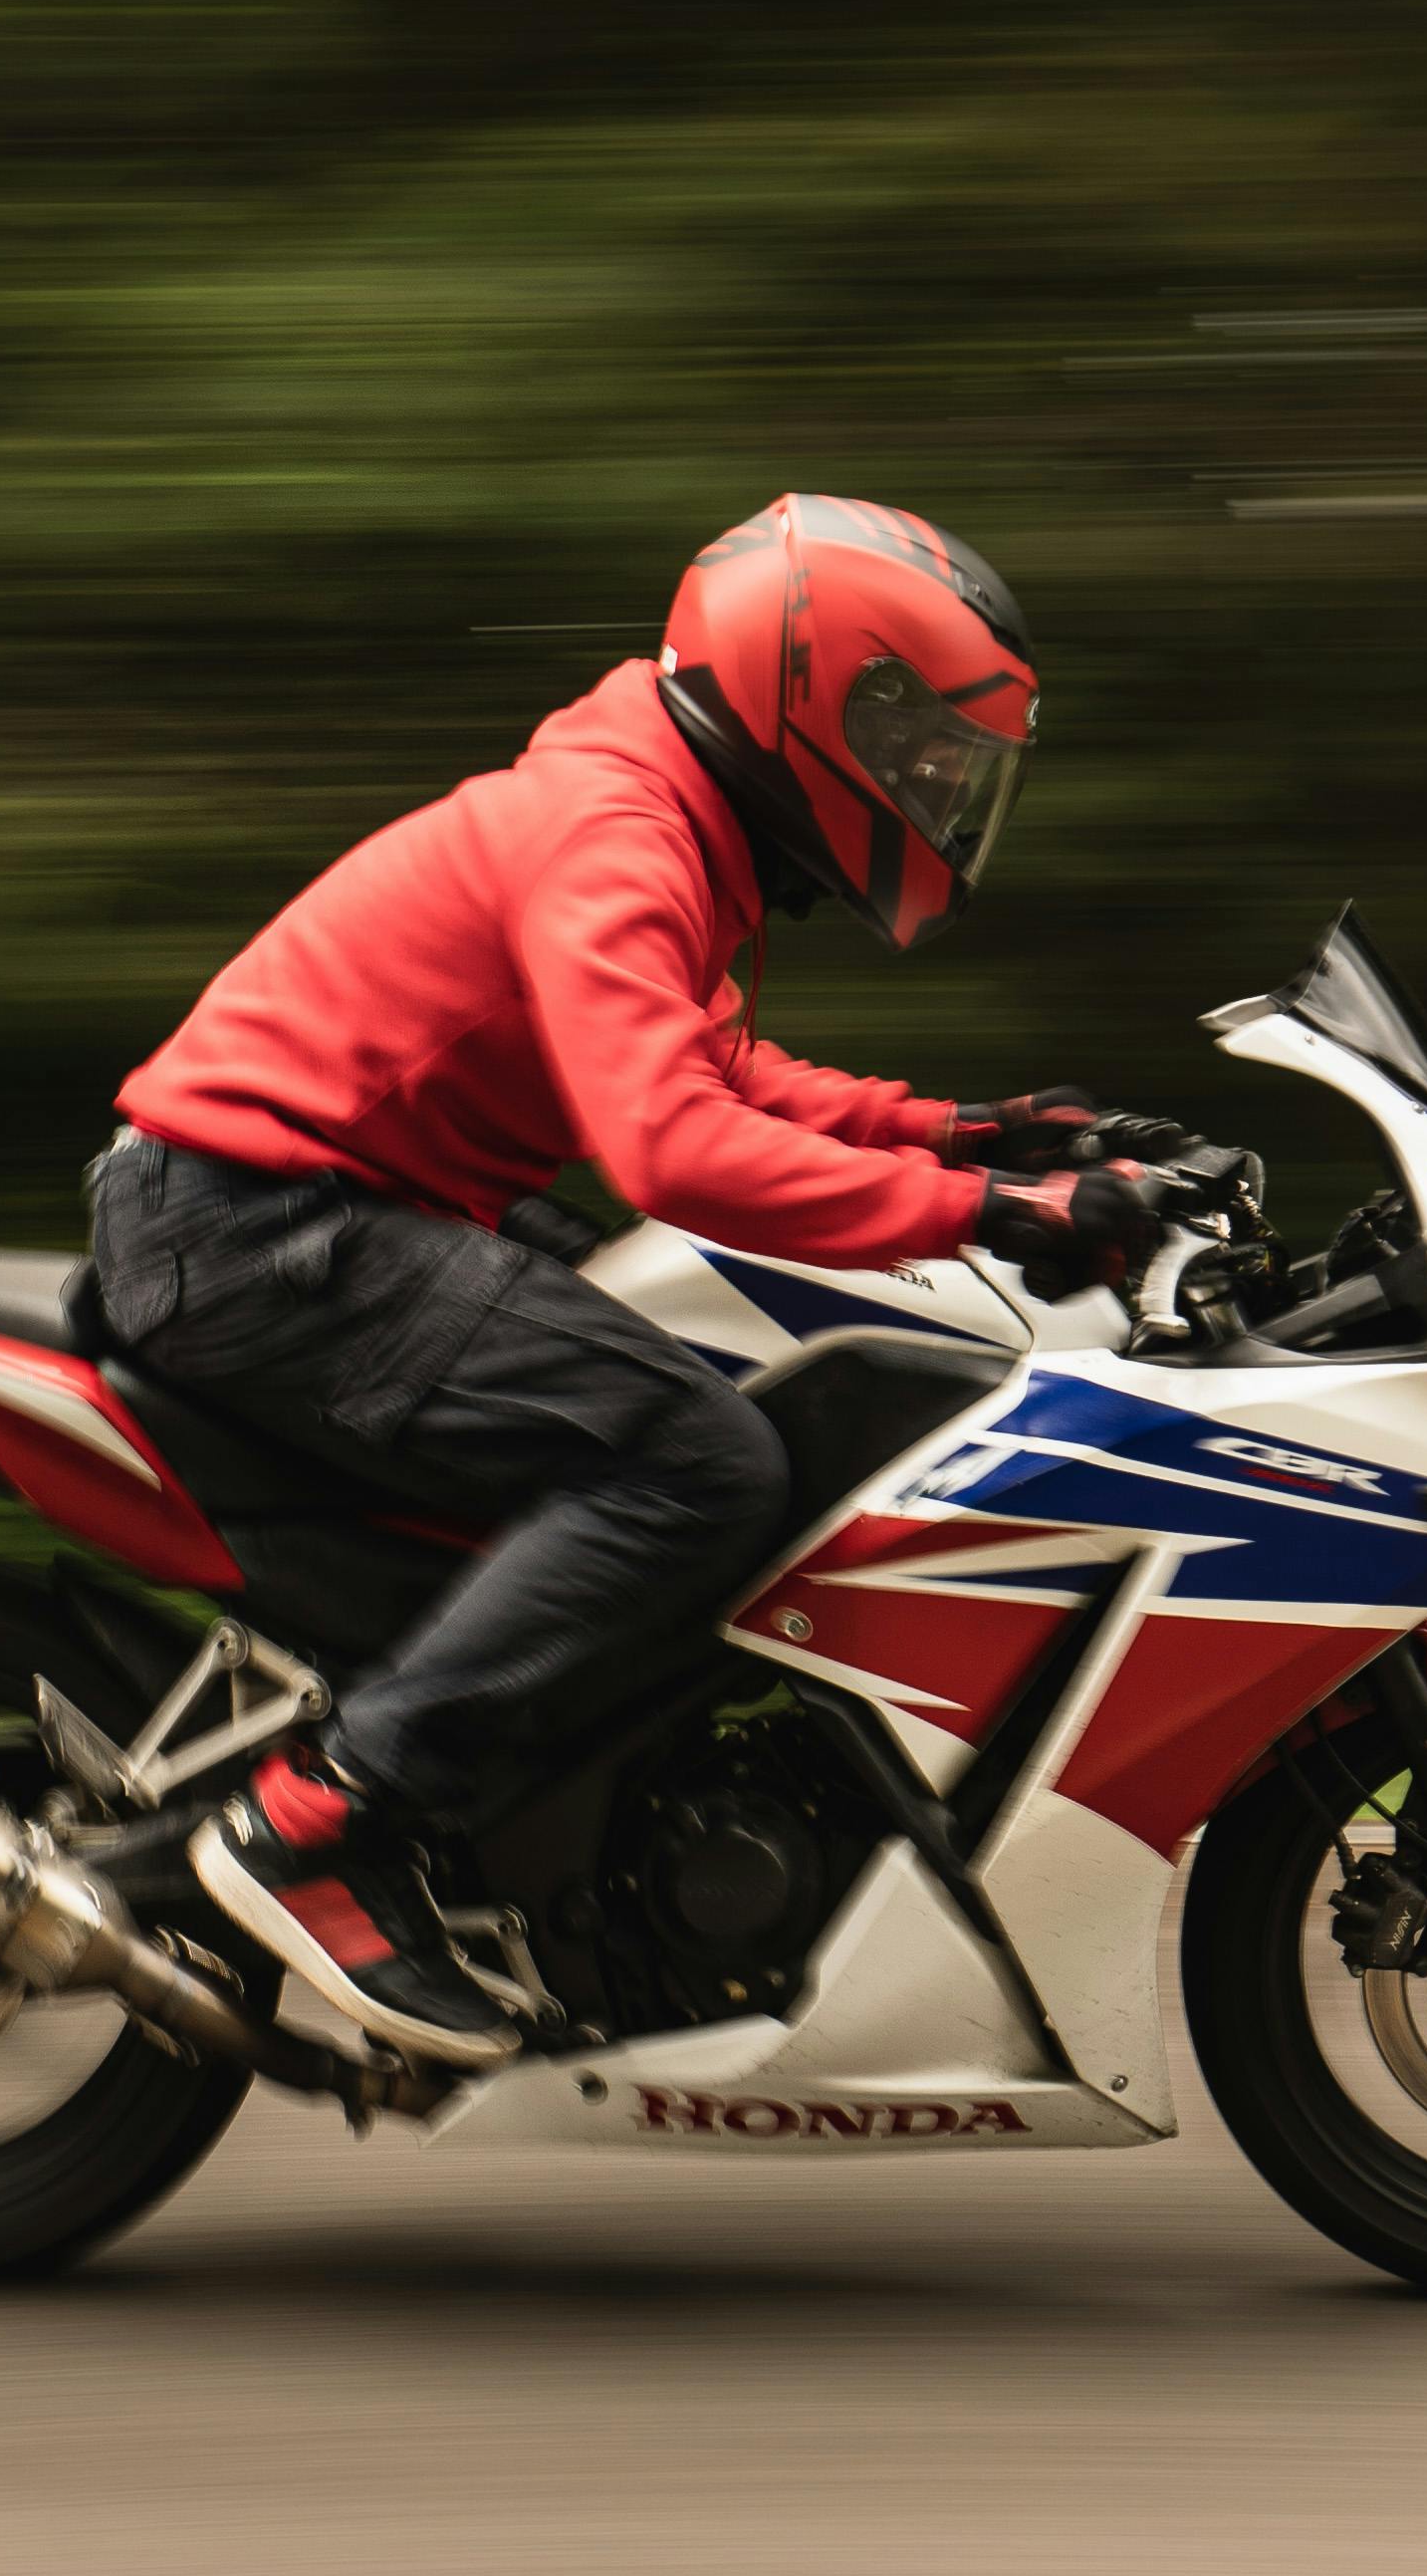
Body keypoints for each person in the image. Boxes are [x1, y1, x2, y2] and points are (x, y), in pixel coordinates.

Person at [90, 490, 1188, 2061]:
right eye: (922, 753)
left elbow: (719, 1070)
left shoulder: (656, 815)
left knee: (713, 1380)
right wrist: (989, 1212)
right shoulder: (617, 832)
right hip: (261, 1229)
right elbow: (676, 1148)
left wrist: (970, 1133)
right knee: (698, 1461)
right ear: (821, 701)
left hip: (323, 1213)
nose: (939, 793)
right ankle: (311, 1824)